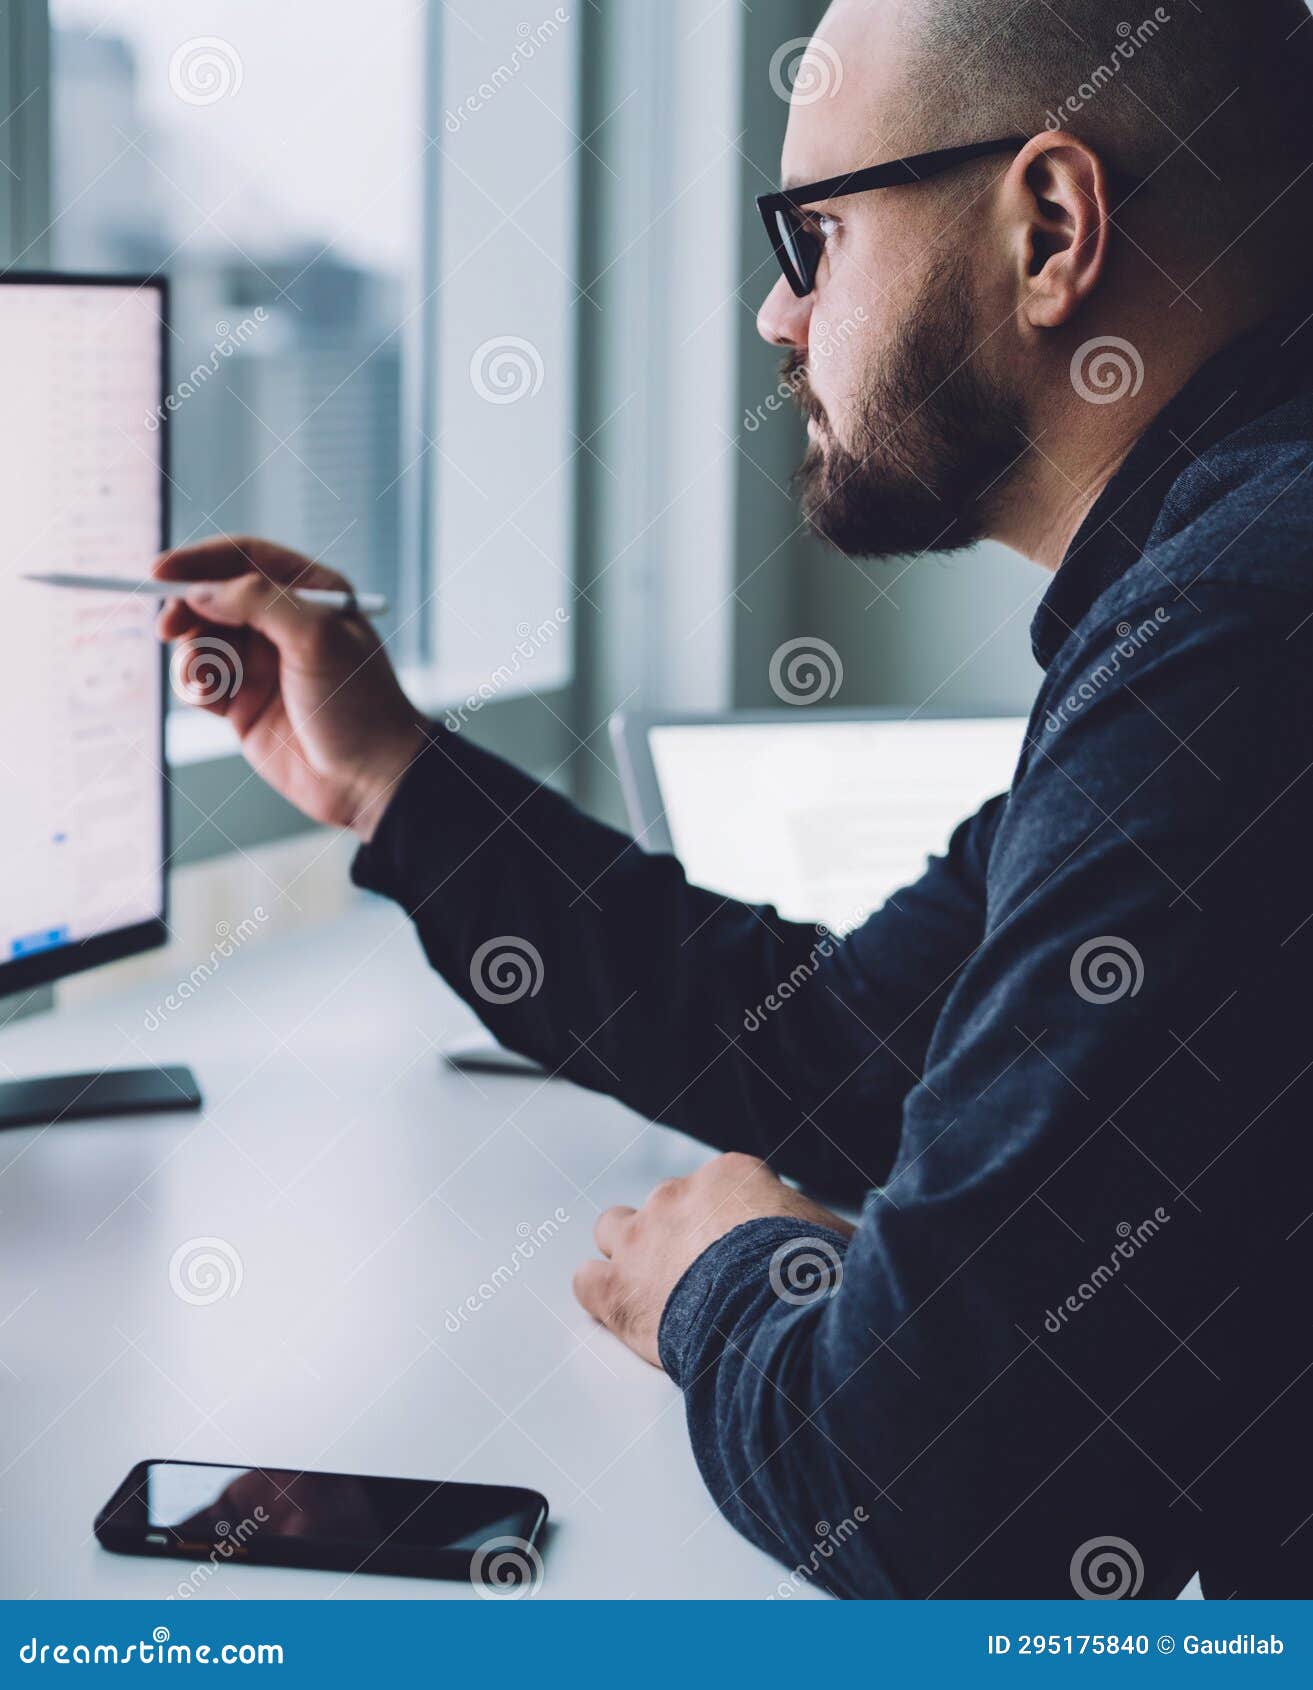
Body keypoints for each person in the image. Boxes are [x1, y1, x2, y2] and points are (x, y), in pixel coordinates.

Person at [154, 0, 1313, 1598]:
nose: (776, 314)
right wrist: (390, 779)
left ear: (1049, 229)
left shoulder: (1235, 646)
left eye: (813, 233)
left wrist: (725, 1275)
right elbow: (838, 1042)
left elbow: (932, 1486)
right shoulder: (1209, 591)